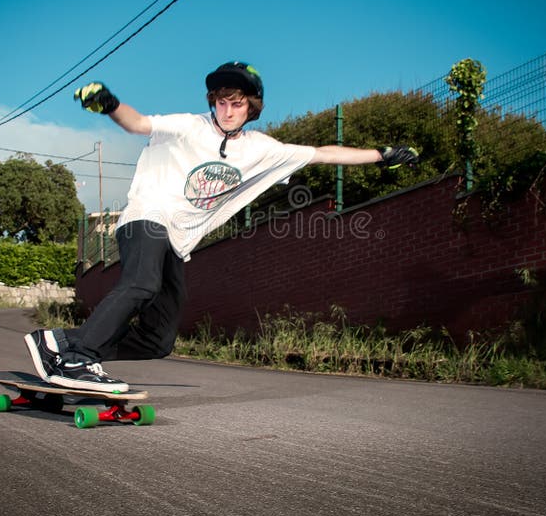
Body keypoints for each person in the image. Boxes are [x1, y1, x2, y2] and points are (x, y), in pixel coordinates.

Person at [25, 61, 419, 392]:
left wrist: (381, 155)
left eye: (237, 104)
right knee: (142, 283)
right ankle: (78, 360)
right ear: (212, 102)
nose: (227, 111)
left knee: (157, 339)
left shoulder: (262, 149)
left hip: (176, 241)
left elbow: (322, 154)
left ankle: (61, 343)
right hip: (146, 217)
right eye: (221, 102)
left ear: (251, 108)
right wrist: (110, 104)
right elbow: (139, 123)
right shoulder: (189, 126)